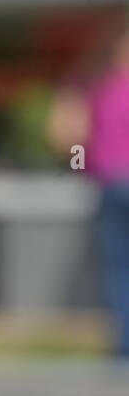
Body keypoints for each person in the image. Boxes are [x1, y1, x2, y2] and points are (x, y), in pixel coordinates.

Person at [50, 25, 129, 365]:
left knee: (117, 267)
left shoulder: (98, 87)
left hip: (111, 182)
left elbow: (66, 134)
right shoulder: (98, 87)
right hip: (110, 183)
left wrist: (80, 162)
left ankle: (125, 346)